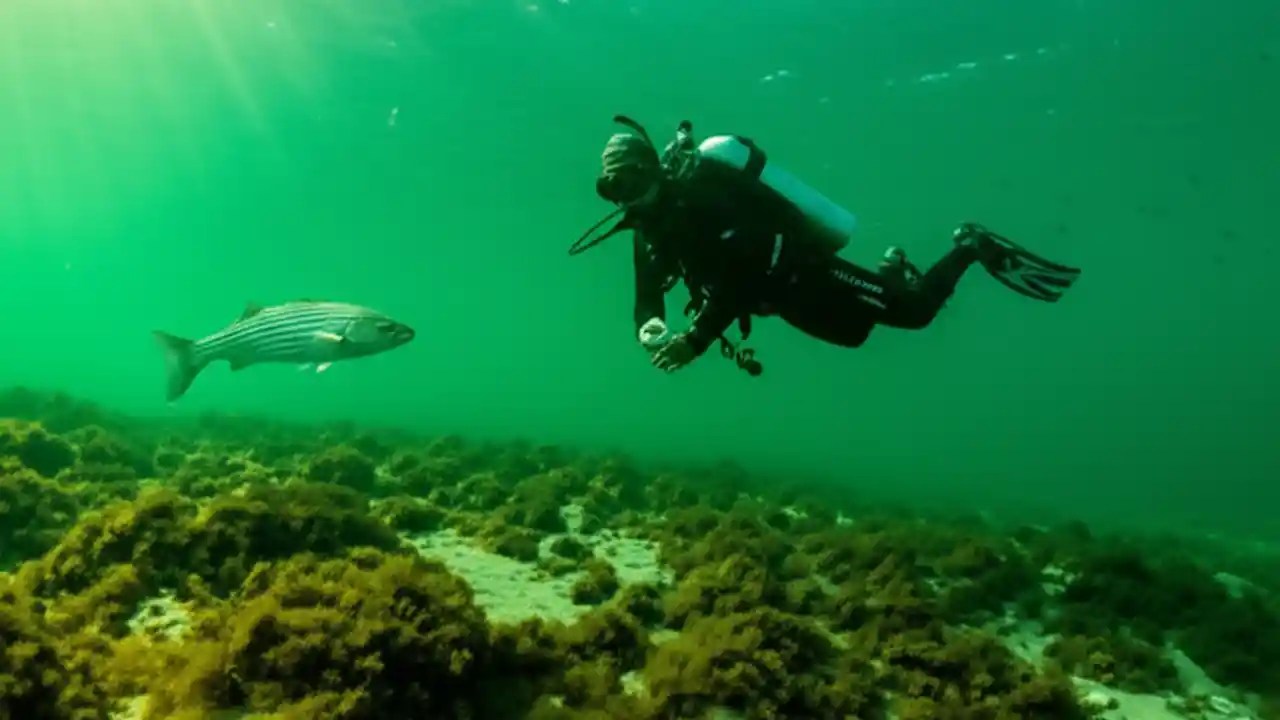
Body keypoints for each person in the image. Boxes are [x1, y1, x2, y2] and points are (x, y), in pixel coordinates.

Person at [569, 115, 1081, 376]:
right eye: (614, 188)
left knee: (917, 313)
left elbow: (743, 272)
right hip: (780, 299)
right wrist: (650, 328)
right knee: (856, 334)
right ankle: (892, 267)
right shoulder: (648, 225)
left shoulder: (707, 193)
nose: (627, 195)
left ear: (654, 168)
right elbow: (646, 292)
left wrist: (697, 340)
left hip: (804, 270)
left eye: (632, 179)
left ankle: (970, 245)